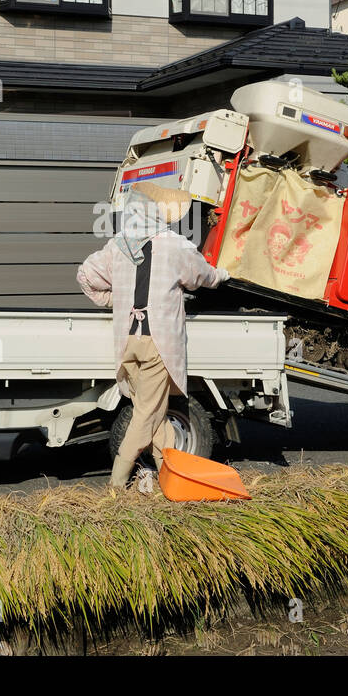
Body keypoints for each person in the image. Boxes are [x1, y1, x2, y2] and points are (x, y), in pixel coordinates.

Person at [77, 182, 229, 489]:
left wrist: (113, 300)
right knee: (147, 415)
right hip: (158, 343)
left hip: (127, 342)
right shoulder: (174, 245)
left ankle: (173, 475)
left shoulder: (117, 246)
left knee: (154, 415)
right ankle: (117, 484)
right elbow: (203, 276)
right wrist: (224, 274)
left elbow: (85, 276)